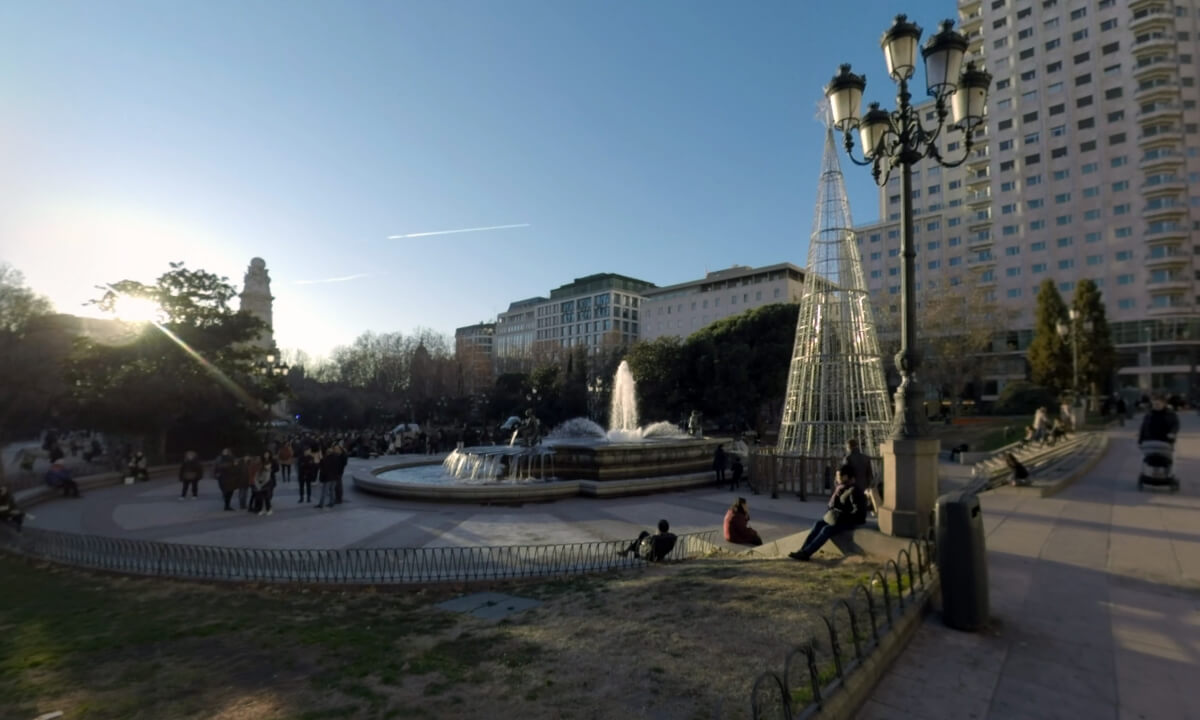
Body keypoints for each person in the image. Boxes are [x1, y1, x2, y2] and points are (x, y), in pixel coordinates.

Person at [788, 465, 867, 561]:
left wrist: (843, 517)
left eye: (838, 476)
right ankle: (802, 550)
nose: (837, 478)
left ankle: (806, 553)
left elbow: (859, 512)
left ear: (846, 476)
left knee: (827, 529)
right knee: (818, 524)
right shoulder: (842, 487)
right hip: (838, 518)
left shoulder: (854, 490)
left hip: (849, 521)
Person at [843, 438, 877, 514]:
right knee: (862, 502)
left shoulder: (848, 458)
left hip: (853, 486)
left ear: (849, 447)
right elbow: (870, 474)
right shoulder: (866, 457)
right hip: (864, 485)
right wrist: (869, 484)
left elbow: (845, 474)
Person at [250, 451, 277, 516]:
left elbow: (267, 479)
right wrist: (258, 485)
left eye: (269, 465)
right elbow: (256, 478)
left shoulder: (270, 469)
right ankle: (262, 509)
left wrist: (260, 485)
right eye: (265, 454)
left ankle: (268, 509)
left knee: (267, 497)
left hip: (267, 484)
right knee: (261, 498)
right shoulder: (260, 469)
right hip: (261, 485)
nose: (266, 455)